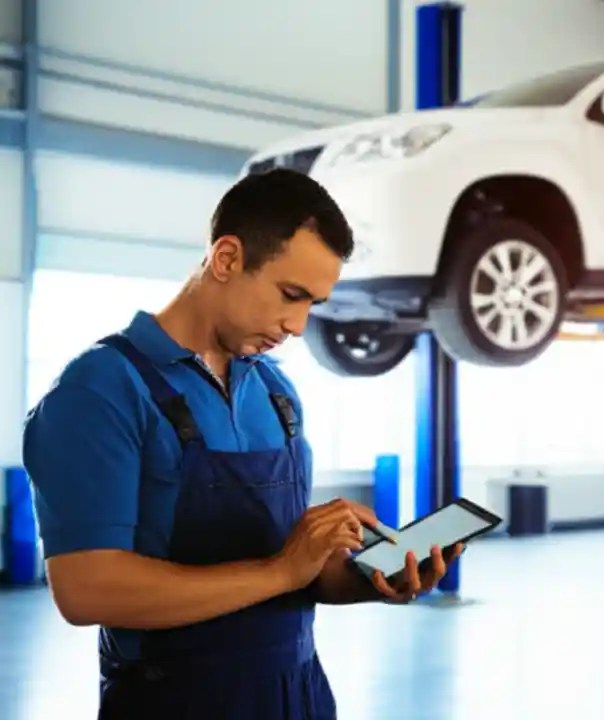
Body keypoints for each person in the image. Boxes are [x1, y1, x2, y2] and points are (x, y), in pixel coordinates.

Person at [22, 168, 462, 719]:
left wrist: (374, 577)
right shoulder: (101, 389)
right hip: (175, 702)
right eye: (290, 295)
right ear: (227, 258)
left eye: (313, 304)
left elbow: (297, 569)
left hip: (298, 694)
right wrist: (281, 569)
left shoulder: (276, 393)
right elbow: (87, 590)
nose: (299, 326)